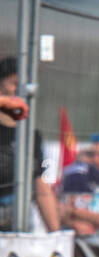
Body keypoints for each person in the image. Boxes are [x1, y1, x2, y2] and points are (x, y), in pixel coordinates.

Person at [0, 57, 59, 232]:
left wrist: (56, 236)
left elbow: (42, 189)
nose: (18, 91)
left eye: (25, 87)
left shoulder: (31, 135)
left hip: (17, 226)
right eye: (14, 83)